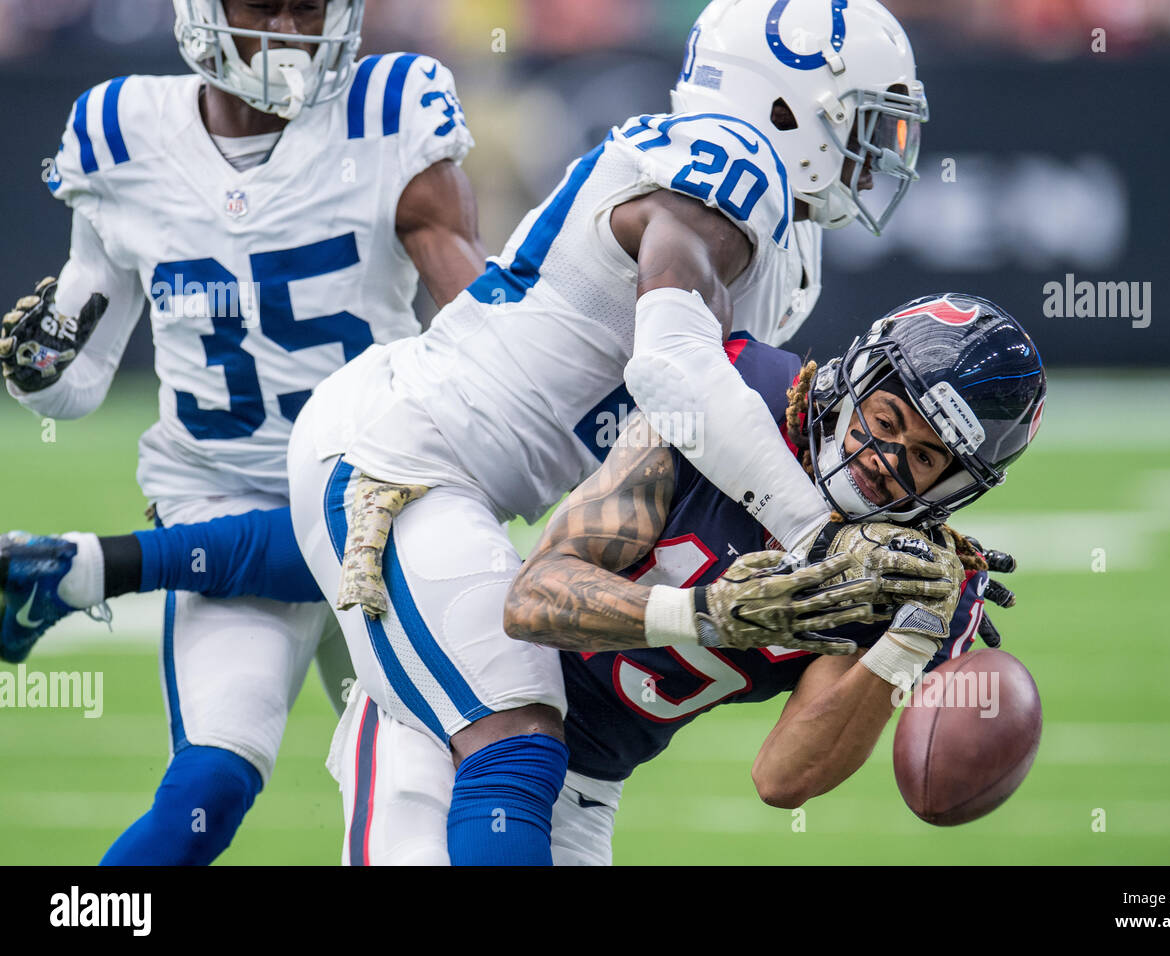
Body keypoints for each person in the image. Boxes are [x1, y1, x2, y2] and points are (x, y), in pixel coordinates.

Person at [4, 0, 930, 865]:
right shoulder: (730, 164)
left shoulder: (778, 237)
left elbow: (695, 415)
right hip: (399, 446)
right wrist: (818, 535)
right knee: (514, 739)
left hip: (443, 466)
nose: (878, 149)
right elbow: (674, 369)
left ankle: (88, 567)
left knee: (495, 737)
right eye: (862, 120)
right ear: (784, 99)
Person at [3, 293, 1045, 864]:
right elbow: (533, 594)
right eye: (887, 419)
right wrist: (714, 608)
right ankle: (95, 563)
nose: (886, 460)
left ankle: (86, 566)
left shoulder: (905, 579)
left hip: (583, 794)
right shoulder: (731, 399)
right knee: (393, 553)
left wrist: (904, 643)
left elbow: (786, 776)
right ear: (856, 379)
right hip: (453, 719)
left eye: (925, 458)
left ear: (964, 486)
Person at [0, 0, 485, 865]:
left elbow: (479, 326)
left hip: (372, 487)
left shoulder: (388, 109)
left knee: (445, 795)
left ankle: (85, 567)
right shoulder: (120, 131)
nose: (296, 30)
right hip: (219, 488)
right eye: (269, 5)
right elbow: (76, 384)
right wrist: (39, 370)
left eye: (314, 7)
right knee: (208, 789)